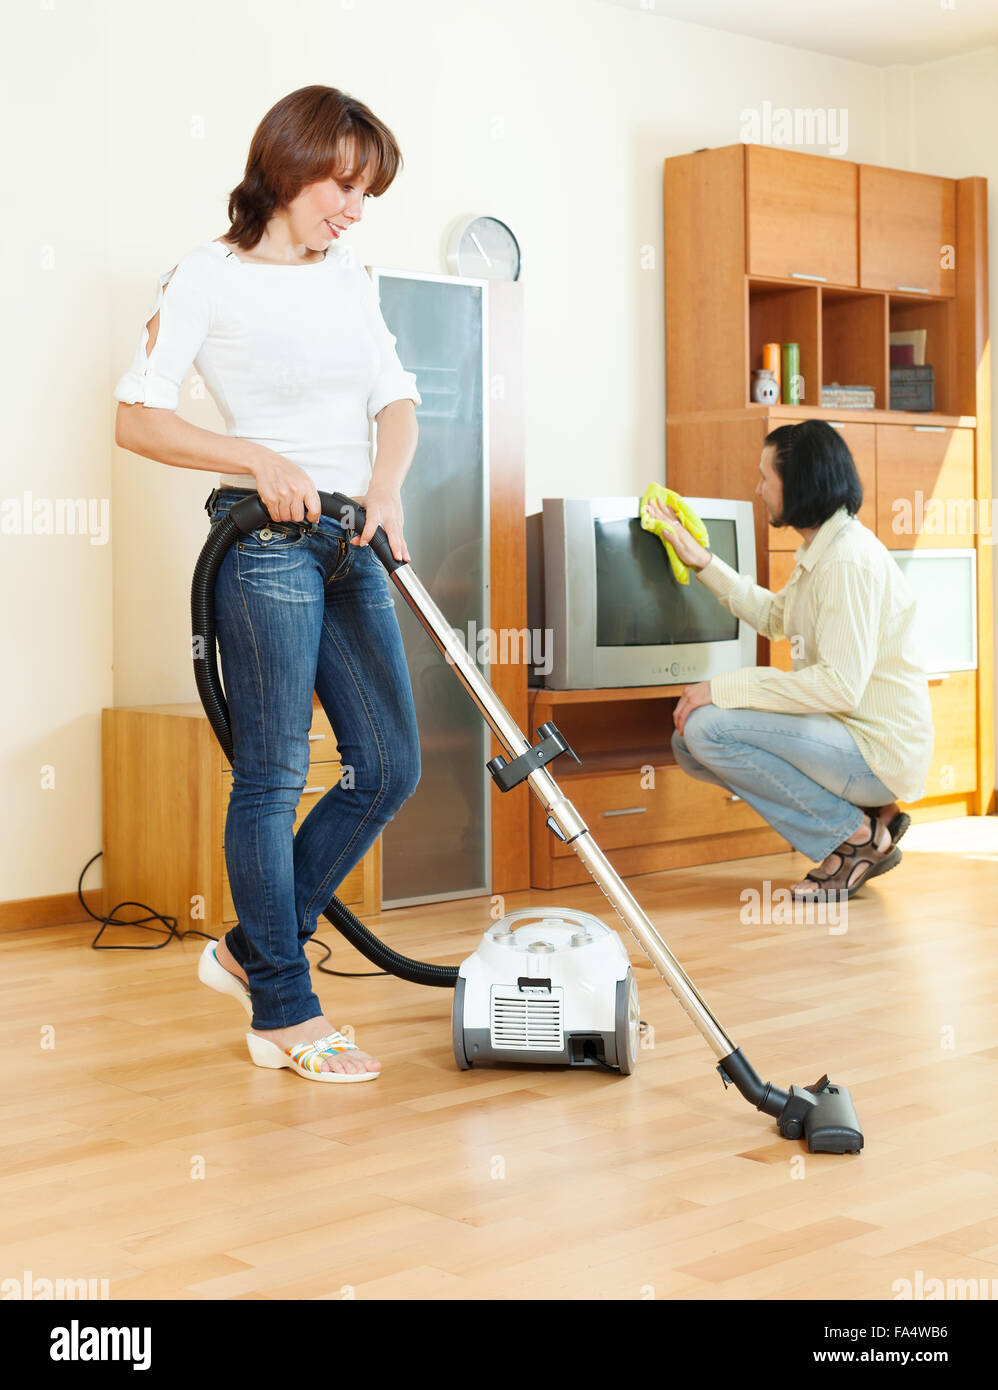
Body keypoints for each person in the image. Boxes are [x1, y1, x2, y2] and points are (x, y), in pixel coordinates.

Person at [113, 86, 423, 1081]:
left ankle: (251, 948)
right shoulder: (206, 276)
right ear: (288, 168)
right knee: (275, 771)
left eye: (366, 192)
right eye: (344, 184)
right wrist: (254, 458)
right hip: (262, 547)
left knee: (386, 765)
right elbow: (138, 417)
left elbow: (396, 397)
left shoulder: (350, 277)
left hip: (348, 539)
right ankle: (281, 1010)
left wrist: (385, 487)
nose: (353, 208)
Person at [651, 419, 934, 899]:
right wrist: (701, 560)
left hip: (876, 751)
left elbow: (838, 685)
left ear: (799, 482)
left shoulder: (846, 561)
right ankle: (863, 821)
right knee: (689, 744)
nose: (758, 489)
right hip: (847, 733)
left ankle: (853, 840)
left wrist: (723, 688)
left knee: (707, 728)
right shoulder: (821, 550)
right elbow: (773, 616)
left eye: (766, 477)